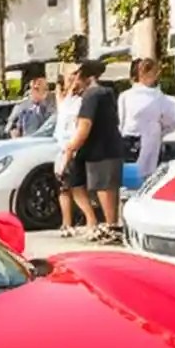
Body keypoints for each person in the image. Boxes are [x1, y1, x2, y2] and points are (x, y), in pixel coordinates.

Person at [60, 60, 126, 244]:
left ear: (85, 77)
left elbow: (84, 126)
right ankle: (109, 224)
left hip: (101, 149)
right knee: (102, 185)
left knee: (104, 187)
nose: (76, 84)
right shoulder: (107, 93)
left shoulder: (91, 95)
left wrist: (71, 146)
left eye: (78, 79)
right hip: (108, 147)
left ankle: (111, 226)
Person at [118, 58, 175, 180]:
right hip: (142, 138)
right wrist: (162, 130)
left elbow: (121, 122)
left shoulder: (128, 96)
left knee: (134, 175)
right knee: (147, 175)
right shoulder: (158, 98)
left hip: (133, 138)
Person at [53, 68, 97, 238]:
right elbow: (59, 90)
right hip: (60, 146)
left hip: (73, 146)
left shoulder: (81, 102)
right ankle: (66, 223)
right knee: (63, 187)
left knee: (76, 186)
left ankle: (91, 220)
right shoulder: (64, 101)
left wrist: (72, 148)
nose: (71, 83)